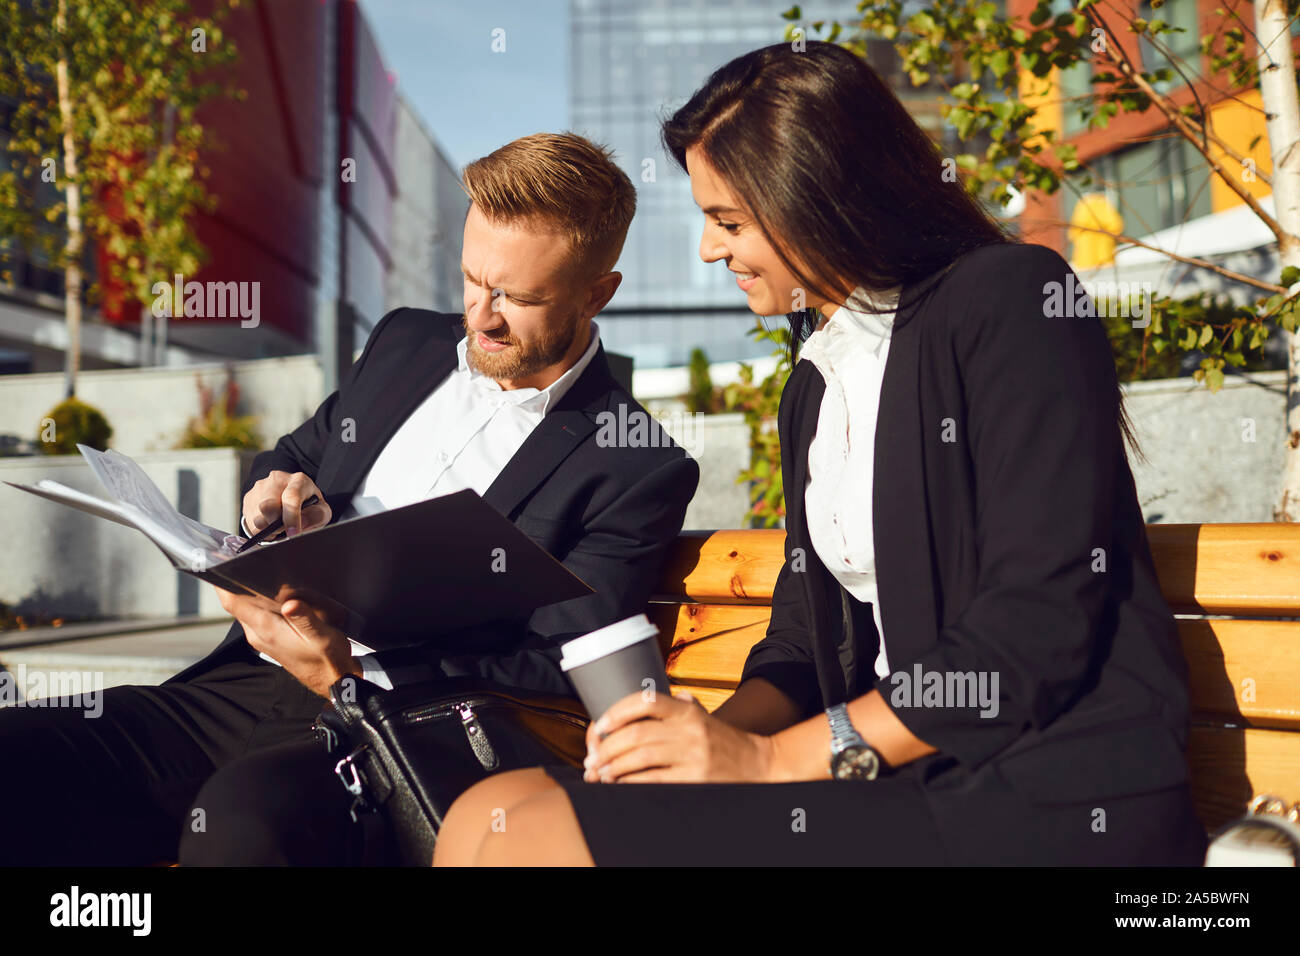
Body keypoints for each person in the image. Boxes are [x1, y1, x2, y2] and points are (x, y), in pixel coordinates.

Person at [432, 43, 1209, 867]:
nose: (709, 251)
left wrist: (768, 762)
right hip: (897, 776)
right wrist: (693, 749)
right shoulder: (816, 382)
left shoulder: (1010, 299)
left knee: (537, 841)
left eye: (728, 222)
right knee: (493, 810)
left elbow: (1034, 626)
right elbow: (803, 647)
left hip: (1046, 789)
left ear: (817, 199)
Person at [0, 132, 699, 866]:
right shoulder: (405, 343)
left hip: (396, 727)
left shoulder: (634, 464)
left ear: (598, 292)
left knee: (243, 821)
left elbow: (558, 663)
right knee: (21, 756)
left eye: (517, 297)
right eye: (471, 279)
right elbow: (299, 454)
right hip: (245, 681)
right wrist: (276, 498)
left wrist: (352, 672)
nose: (482, 316)